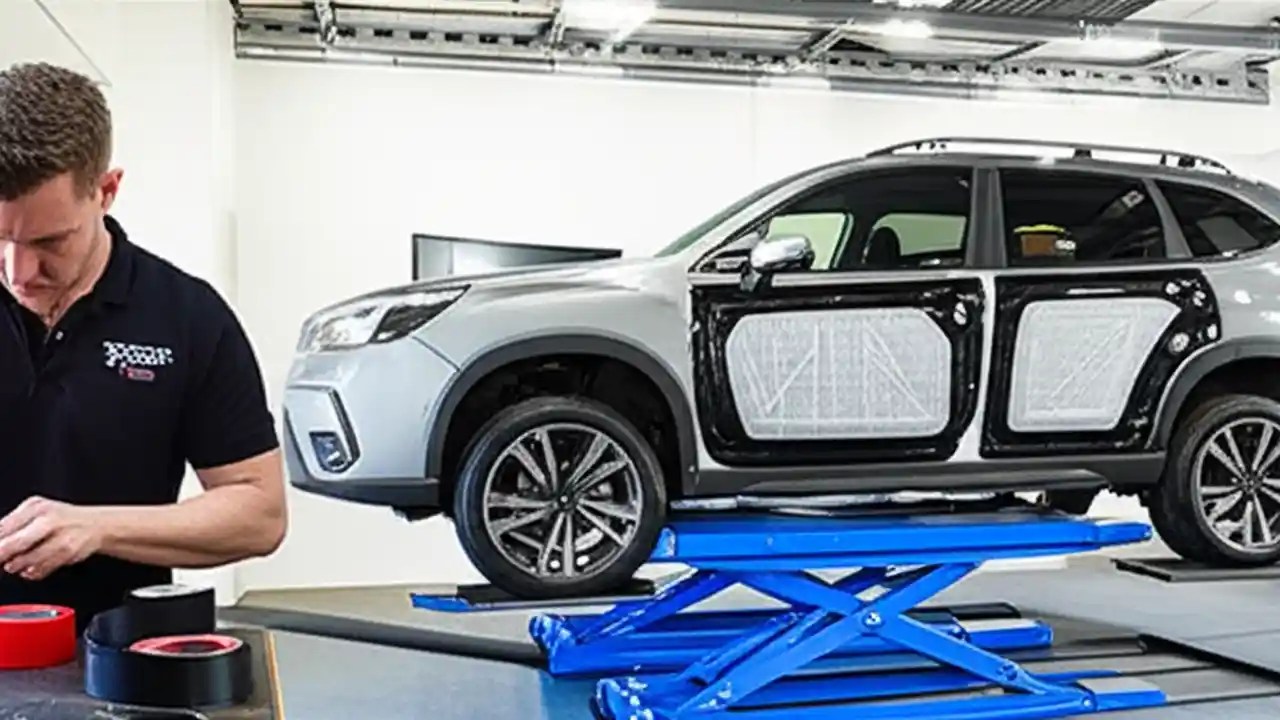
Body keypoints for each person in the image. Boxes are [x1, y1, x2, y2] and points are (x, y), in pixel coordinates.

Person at [0, 62, 286, 627]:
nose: (18, 272)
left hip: (118, 653)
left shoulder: (188, 318)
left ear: (106, 191)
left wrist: (98, 527)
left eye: (49, 242)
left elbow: (260, 513)